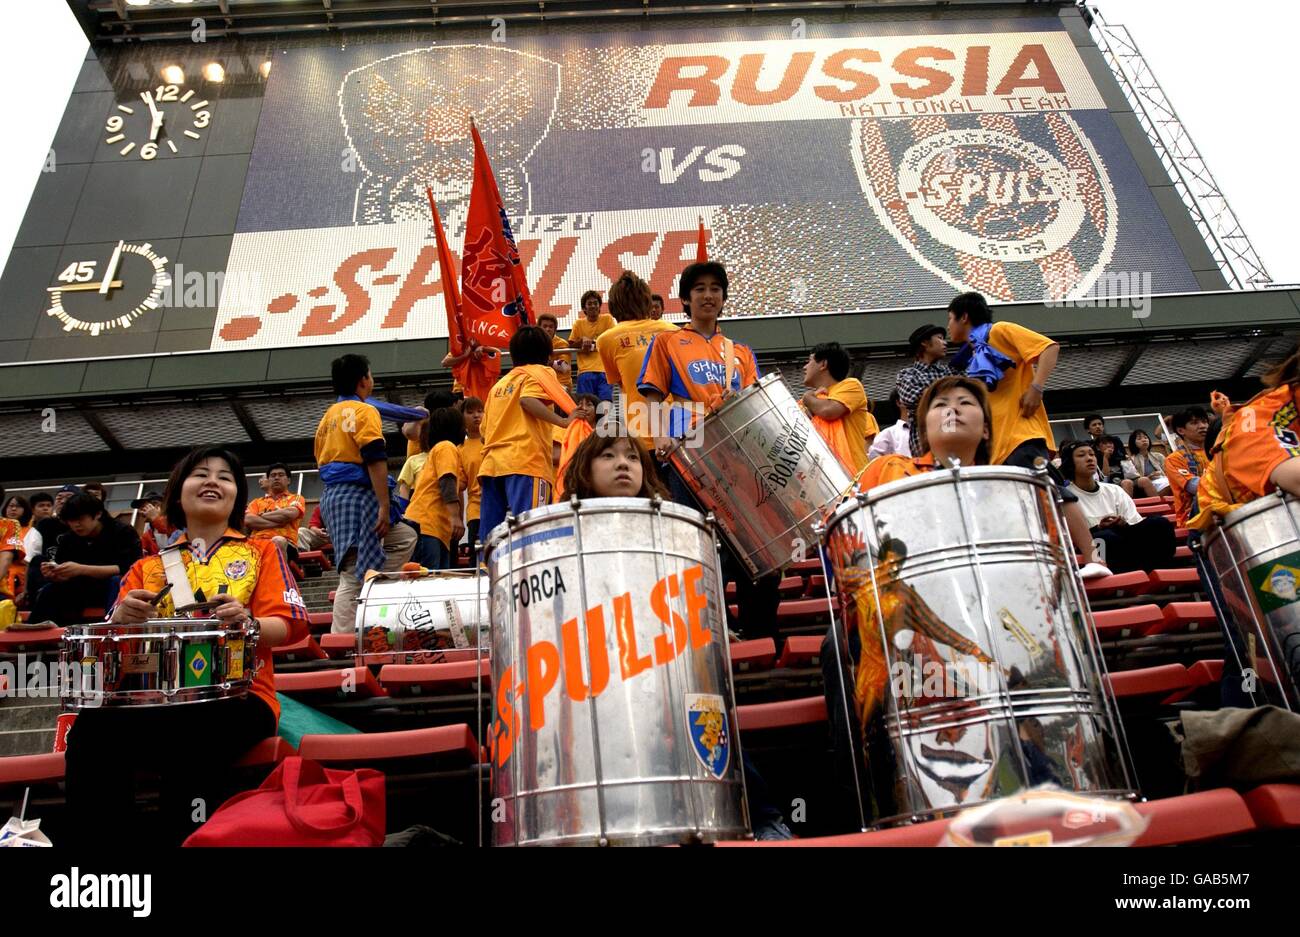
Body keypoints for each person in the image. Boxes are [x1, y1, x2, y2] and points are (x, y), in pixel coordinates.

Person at [64, 446, 310, 847]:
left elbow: (291, 625)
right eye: (200, 474)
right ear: (178, 494)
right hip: (154, 700)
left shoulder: (262, 551)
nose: (212, 480)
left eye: (224, 477)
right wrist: (121, 621)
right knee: (91, 731)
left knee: (193, 729)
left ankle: (186, 839)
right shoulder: (147, 566)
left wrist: (246, 623)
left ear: (236, 499)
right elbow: (109, 648)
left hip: (240, 696)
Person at [559, 429, 792, 840]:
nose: (622, 464)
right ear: (583, 470)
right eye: (608, 456)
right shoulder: (565, 533)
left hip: (670, 668)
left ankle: (767, 823)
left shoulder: (673, 525)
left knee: (712, 729)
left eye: (632, 456)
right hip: (602, 670)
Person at [638, 260, 783, 640]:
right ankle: (710, 631)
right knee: (695, 544)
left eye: (715, 288)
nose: (708, 295)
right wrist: (661, 437)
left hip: (738, 461)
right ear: (685, 299)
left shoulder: (740, 351)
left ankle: (759, 635)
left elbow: (756, 403)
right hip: (688, 459)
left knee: (760, 550)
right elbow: (652, 396)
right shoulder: (667, 342)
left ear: (723, 298)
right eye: (699, 288)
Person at [315, 354, 418, 634]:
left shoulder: (327, 417)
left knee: (405, 537)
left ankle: (376, 582)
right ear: (364, 380)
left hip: (334, 497)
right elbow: (374, 456)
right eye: (370, 375)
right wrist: (384, 506)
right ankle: (342, 639)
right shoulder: (364, 411)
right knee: (351, 574)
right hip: (359, 496)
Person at [478, 325, 575, 547]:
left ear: (513, 354)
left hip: (492, 465)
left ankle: (488, 578)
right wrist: (563, 421)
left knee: (490, 541)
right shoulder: (542, 372)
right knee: (532, 533)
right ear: (548, 354)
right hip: (525, 460)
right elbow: (527, 400)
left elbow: (484, 433)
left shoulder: (499, 385)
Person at [1059, 440, 1175, 574]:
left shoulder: (1114, 490)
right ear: (1070, 463)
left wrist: (1122, 523)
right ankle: (1127, 576)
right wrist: (1098, 527)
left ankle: (1159, 572)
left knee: (1159, 523)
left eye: (1092, 454)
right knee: (1106, 537)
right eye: (1081, 455)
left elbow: (1134, 523)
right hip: (1095, 544)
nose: (1089, 458)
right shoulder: (1066, 497)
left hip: (1123, 536)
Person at [27, 492, 142, 625]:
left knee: (116, 581)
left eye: (80, 519)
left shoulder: (123, 532)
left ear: (98, 514)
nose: (76, 525)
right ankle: (36, 630)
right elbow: (66, 571)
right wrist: (56, 574)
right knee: (49, 589)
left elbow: (128, 567)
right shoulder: (69, 538)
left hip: (112, 588)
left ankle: (114, 629)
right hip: (80, 588)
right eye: (71, 520)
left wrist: (81, 569)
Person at [596, 270, 677, 451]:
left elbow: (620, 382)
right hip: (681, 430)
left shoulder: (606, 340)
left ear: (614, 305)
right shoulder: (672, 331)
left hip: (642, 437)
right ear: (647, 301)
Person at [405, 407, 467, 569]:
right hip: (427, 526)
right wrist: (455, 517)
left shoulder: (436, 451)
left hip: (430, 527)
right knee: (428, 583)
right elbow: (446, 480)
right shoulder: (446, 447)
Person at [801, 341, 872, 475]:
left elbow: (829, 411)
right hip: (822, 478)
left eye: (809, 361)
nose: (804, 367)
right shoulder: (812, 398)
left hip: (854, 477)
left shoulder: (851, 385)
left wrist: (807, 398)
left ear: (823, 364)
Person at [895, 324, 954, 458]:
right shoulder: (907, 374)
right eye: (939, 338)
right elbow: (912, 398)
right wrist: (949, 391)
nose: (945, 343)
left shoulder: (950, 371)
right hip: (925, 447)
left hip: (954, 442)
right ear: (925, 343)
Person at [20, 486, 77, 606]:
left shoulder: (89, 525)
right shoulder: (45, 525)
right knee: (38, 560)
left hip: (76, 572)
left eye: (68, 497)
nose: (62, 501)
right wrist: (24, 590)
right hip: (49, 574)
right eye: (59, 498)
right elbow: (31, 556)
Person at [244, 463, 306, 561]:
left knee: (278, 540)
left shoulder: (296, 498)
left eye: (281, 475)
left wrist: (262, 515)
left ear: (288, 480)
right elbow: (248, 520)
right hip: (256, 542)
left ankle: (281, 576)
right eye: (273, 476)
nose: (276, 478)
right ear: (268, 480)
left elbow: (290, 514)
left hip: (286, 543)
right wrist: (280, 521)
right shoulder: (256, 502)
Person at [1164, 407, 1211, 527]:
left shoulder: (1217, 451)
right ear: (1181, 430)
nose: (1202, 426)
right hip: (1191, 516)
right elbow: (1194, 486)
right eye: (1194, 423)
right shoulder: (1174, 459)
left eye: (1204, 422)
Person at [568, 290, 616, 402]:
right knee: (586, 405)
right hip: (585, 372)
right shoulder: (578, 323)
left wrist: (592, 342)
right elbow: (571, 344)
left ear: (599, 306)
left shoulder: (607, 319)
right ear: (584, 308)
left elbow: (612, 338)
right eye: (589, 304)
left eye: (595, 303)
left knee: (605, 405)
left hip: (605, 371)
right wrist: (582, 341)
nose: (593, 306)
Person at [554, 394, 600, 501]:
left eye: (589, 405)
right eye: (579, 404)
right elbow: (555, 456)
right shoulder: (562, 429)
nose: (584, 408)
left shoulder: (603, 433)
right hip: (567, 485)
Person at [458, 397, 486, 558]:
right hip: (475, 511)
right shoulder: (459, 448)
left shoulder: (494, 440)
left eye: (480, 411)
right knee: (477, 558)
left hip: (500, 506)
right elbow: (461, 483)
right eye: (470, 412)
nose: (476, 415)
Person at [867, 391, 912, 462]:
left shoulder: (929, 429)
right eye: (911, 394)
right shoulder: (887, 434)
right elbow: (874, 461)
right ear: (899, 402)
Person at [536, 312, 574, 392]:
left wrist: (547, 361)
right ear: (539, 328)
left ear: (555, 329)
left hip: (561, 385)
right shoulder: (535, 343)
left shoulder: (562, 343)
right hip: (542, 384)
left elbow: (565, 367)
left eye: (551, 327)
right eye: (545, 326)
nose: (548, 329)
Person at [1128, 429, 1170, 494]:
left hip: (1163, 479)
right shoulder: (1132, 460)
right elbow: (1134, 480)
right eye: (1139, 439)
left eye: (1146, 437)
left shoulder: (1159, 456)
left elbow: (1168, 472)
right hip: (1149, 485)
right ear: (1133, 443)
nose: (1144, 440)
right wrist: (1149, 477)